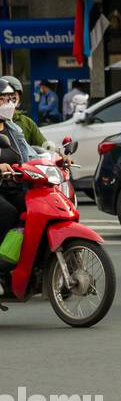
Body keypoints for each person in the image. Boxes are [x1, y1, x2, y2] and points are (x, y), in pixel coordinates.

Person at [0, 81, 37, 283]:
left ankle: (27, 261)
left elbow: (30, 154)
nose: (8, 104)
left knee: (36, 209)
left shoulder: (13, 129)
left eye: (10, 99)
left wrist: (55, 158)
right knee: (8, 213)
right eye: (2, 99)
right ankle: (1, 269)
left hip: (14, 187)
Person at [0, 76, 49, 150]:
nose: (9, 102)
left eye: (13, 97)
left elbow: (43, 147)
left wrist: (58, 155)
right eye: (2, 98)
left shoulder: (26, 123)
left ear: (18, 100)